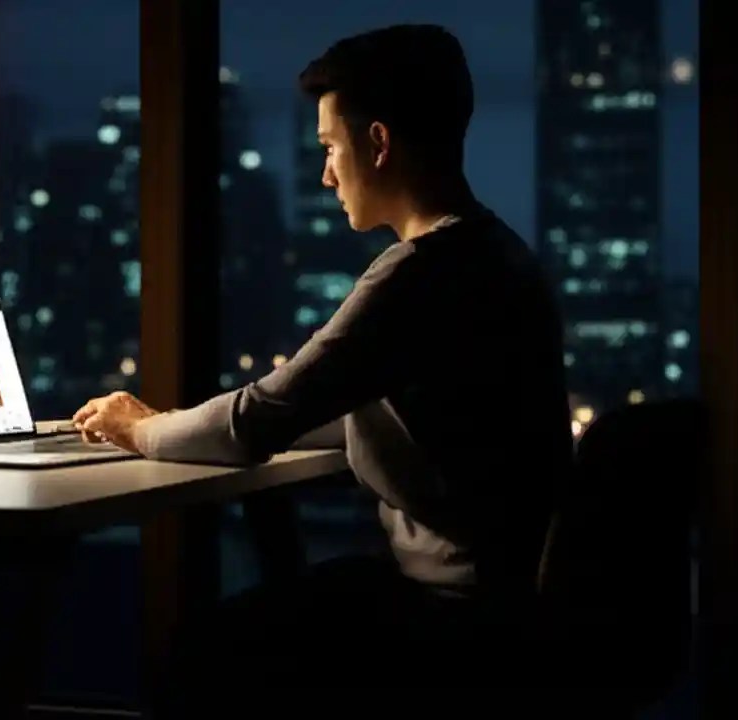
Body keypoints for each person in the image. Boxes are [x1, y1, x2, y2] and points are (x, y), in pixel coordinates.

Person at [73, 24, 574, 716]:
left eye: (331, 148)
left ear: (378, 142)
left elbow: (259, 419)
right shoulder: (500, 256)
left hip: (457, 618)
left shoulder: (418, 275)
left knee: (202, 654)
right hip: (511, 605)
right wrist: (182, 425)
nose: (325, 174)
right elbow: (352, 413)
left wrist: (140, 428)